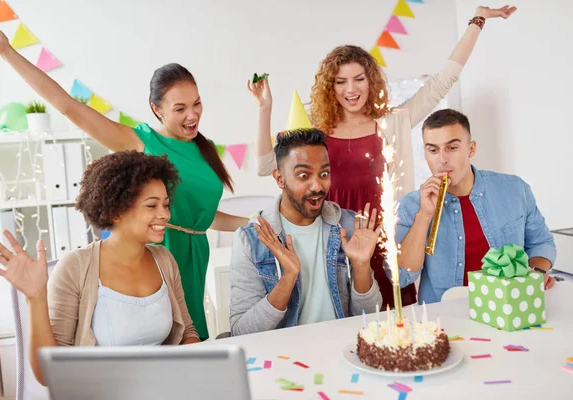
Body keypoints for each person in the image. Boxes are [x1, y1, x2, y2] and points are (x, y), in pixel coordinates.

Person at [0, 25, 248, 339]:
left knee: (190, 335)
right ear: (157, 110)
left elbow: (200, 216)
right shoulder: (140, 141)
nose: (192, 115)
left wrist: (255, 222)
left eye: (196, 104)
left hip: (194, 254)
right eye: (180, 108)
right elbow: (68, 106)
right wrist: (6, 51)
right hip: (157, 249)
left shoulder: (203, 148)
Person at [248, 5, 517, 309]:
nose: (351, 89)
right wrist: (263, 108)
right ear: (330, 87)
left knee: (386, 322)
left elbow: (444, 79)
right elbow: (264, 166)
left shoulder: (393, 122)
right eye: (341, 81)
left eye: (359, 79)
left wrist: (478, 20)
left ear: (371, 81)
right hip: (328, 237)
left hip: (381, 237)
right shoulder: (313, 125)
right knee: (334, 317)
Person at [0, 151, 200, 386]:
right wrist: (35, 298)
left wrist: (194, 372)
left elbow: (187, 332)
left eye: (166, 205)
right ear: (116, 211)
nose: (164, 214)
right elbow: (48, 374)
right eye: (152, 205)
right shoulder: (76, 267)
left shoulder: (164, 260)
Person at [229, 128, 383, 336]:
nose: (317, 185)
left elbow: (370, 315)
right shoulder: (251, 239)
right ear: (280, 179)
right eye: (304, 175)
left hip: (341, 347)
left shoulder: (347, 225)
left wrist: (361, 265)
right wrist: (288, 278)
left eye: (324, 174)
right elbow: (241, 331)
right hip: (283, 358)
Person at [394, 109, 556, 304]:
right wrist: (424, 215)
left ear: (471, 149)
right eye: (433, 150)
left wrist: (536, 274)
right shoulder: (410, 206)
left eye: (452, 148)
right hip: (445, 318)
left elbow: (541, 243)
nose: (442, 159)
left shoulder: (515, 189)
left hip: (509, 307)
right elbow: (403, 276)